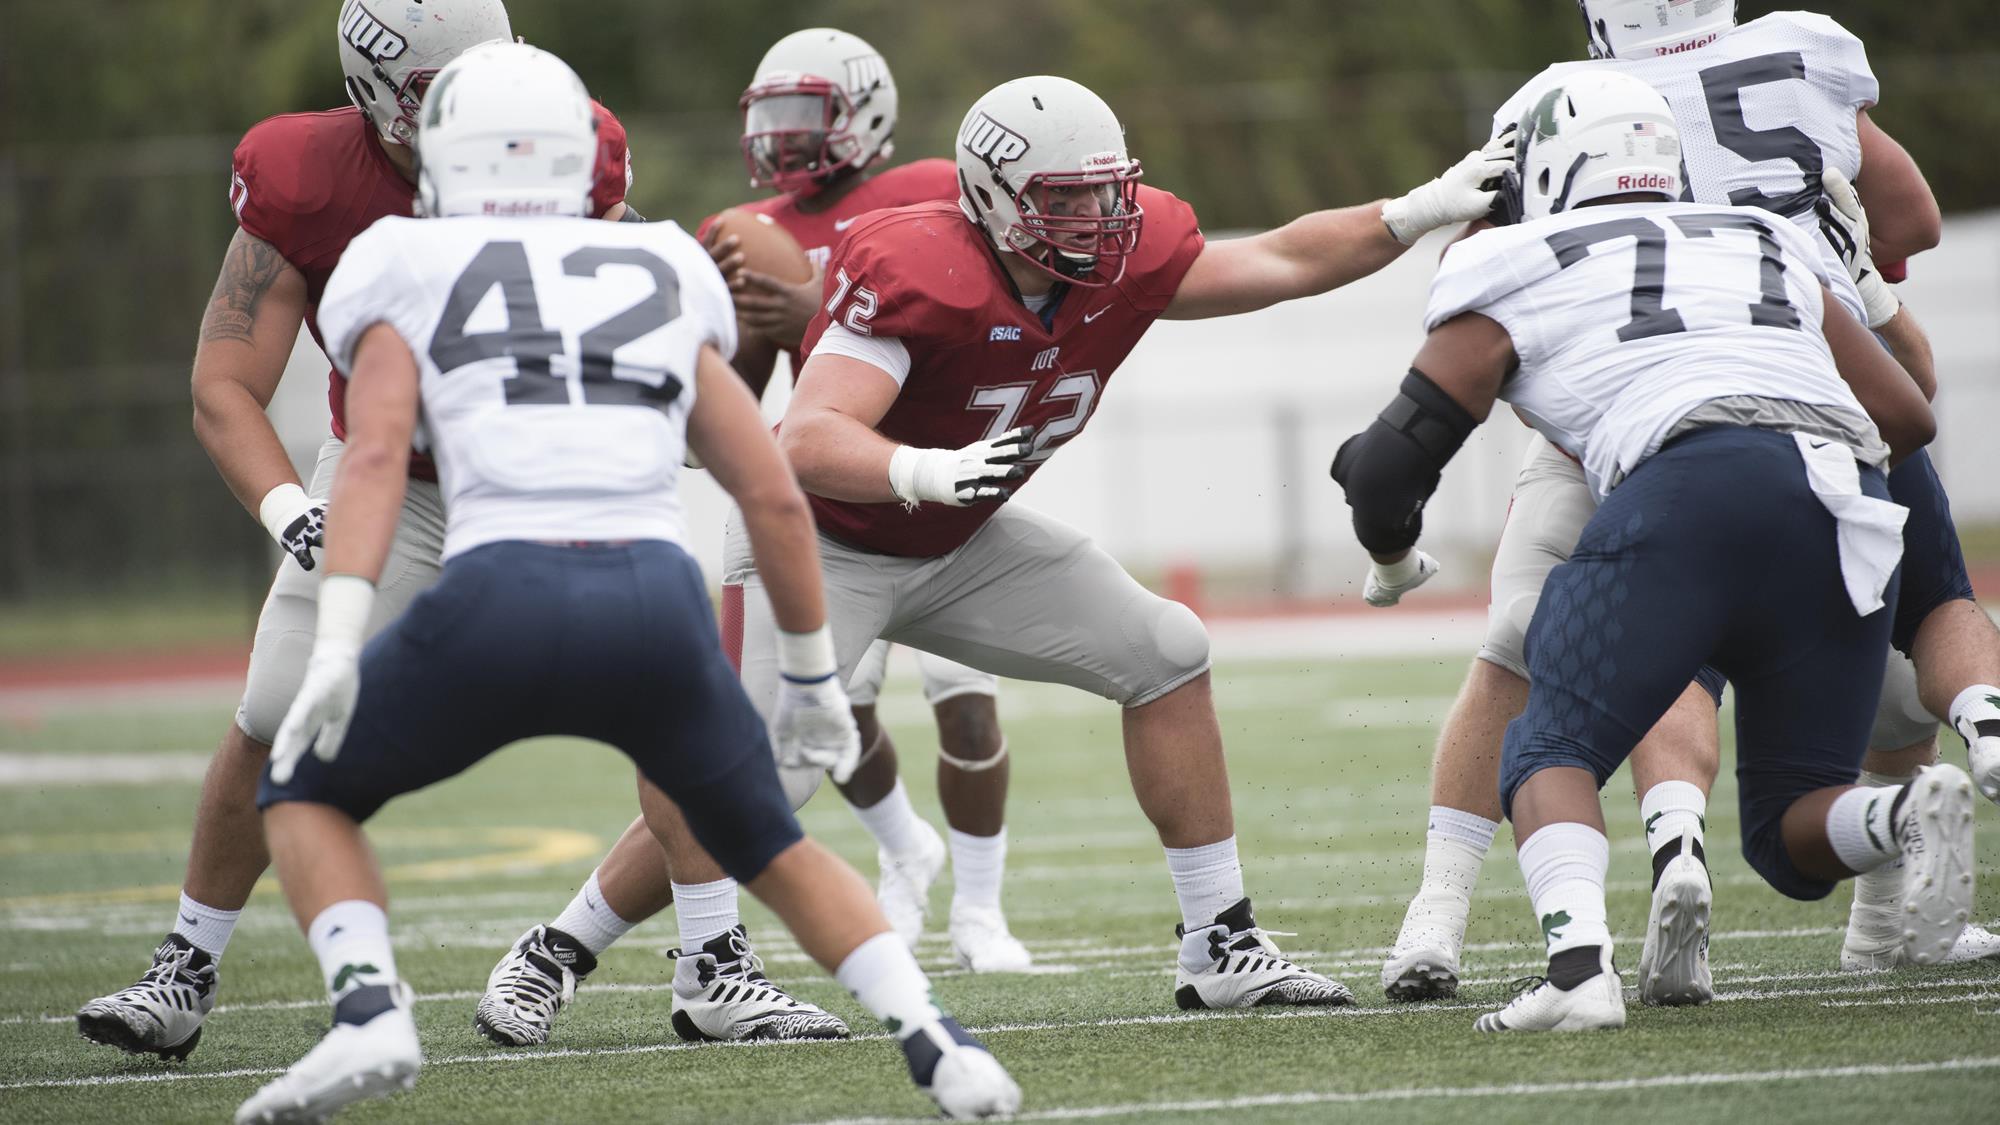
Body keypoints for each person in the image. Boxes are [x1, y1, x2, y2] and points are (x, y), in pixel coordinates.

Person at [232, 42, 1021, 1124]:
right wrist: (810, 680)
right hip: (652, 602)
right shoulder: (661, 263)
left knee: (302, 792)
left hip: (496, 592)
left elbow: (371, 458)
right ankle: (939, 1045)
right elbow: (772, 492)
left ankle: (369, 1011)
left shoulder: (394, 259)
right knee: (772, 845)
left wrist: (338, 640)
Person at [706, 72, 1512, 1012]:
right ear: (997, 199)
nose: (1096, 216)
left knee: (1166, 650)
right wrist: (922, 471)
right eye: (1065, 198)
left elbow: (1285, 259)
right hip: (822, 540)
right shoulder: (922, 269)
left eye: (1106, 191)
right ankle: (598, 950)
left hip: (954, 541)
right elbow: (805, 438)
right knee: (754, 761)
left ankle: (1220, 942)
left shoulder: (1127, 259)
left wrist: (1410, 212)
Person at [1379, 0, 2000, 1005]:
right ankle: (1910, 870)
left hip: (1613, 427)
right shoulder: (1799, 61)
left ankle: (1451, 919)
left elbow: (1461, 282)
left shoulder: (1555, 102)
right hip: (1809, 395)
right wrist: (1859, 286)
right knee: (1907, 633)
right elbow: (1913, 247)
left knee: (1525, 658)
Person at [74, 0, 656, 1062]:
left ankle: (706, 956)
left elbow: (638, 312)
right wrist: (290, 506)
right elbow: (224, 383)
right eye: (446, 91)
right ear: (376, 96)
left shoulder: (570, 140)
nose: (484, 108)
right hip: (402, 479)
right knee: (276, 709)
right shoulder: (308, 177)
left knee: (679, 691)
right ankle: (186, 967)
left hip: (546, 467)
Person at [474, 27, 1022, 1054]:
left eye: (801, 119)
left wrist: (820, 303)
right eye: (765, 121)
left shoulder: (941, 192)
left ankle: (975, 908)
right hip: (833, 519)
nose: (779, 143)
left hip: (947, 505)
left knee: (993, 695)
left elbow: (964, 329)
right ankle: (570, 947)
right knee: (748, 765)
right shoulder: (741, 231)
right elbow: (768, 416)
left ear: (862, 114)